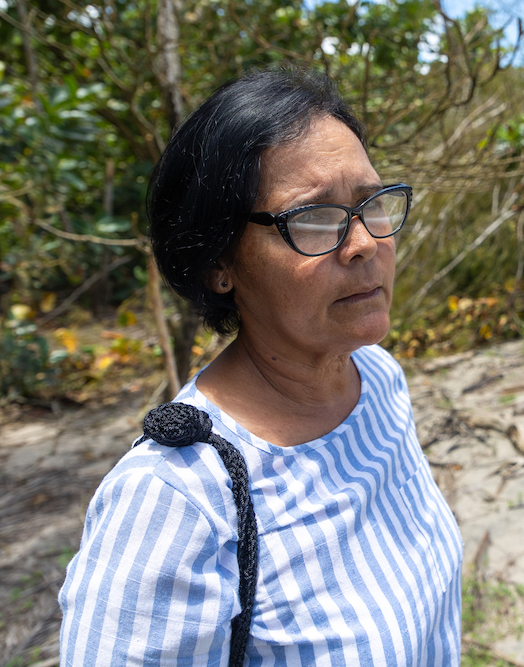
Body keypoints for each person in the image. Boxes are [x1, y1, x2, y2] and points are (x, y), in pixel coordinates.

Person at [58, 67, 463, 666]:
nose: (363, 244)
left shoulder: (376, 379)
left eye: (370, 203)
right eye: (313, 217)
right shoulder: (176, 500)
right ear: (220, 259)